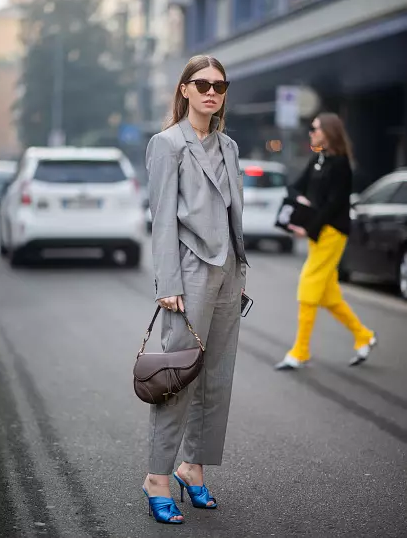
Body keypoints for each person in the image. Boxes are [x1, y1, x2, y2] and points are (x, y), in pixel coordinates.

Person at [143, 55, 248, 523]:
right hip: (187, 274)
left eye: (220, 85)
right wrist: (167, 282)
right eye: (201, 83)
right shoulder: (167, 145)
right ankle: (158, 478)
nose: (211, 92)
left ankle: (193, 468)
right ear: (184, 89)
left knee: (216, 380)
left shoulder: (229, 147)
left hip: (228, 274)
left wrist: (240, 266)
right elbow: (162, 216)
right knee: (179, 380)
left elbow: (231, 215)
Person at [275, 113, 377, 371]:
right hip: (317, 231)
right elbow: (294, 186)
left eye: (315, 128)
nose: (311, 132)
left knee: (308, 287)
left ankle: (300, 351)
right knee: (329, 295)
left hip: (332, 232)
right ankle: (363, 335)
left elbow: (335, 205)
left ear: (329, 133)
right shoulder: (319, 158)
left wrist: (307, 227)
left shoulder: (341, 165)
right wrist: (302, 202)